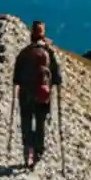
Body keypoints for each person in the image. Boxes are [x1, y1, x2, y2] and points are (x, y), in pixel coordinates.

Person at [13, 20, 63, 167]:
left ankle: (27, 150)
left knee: (27, 122)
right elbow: (58, 77)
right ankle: (38, 152)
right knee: (40, 124)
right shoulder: (49, 52)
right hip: (43, 96)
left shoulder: (25, 52)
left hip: (26, 95)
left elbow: (16, 78)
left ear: (31, 35)